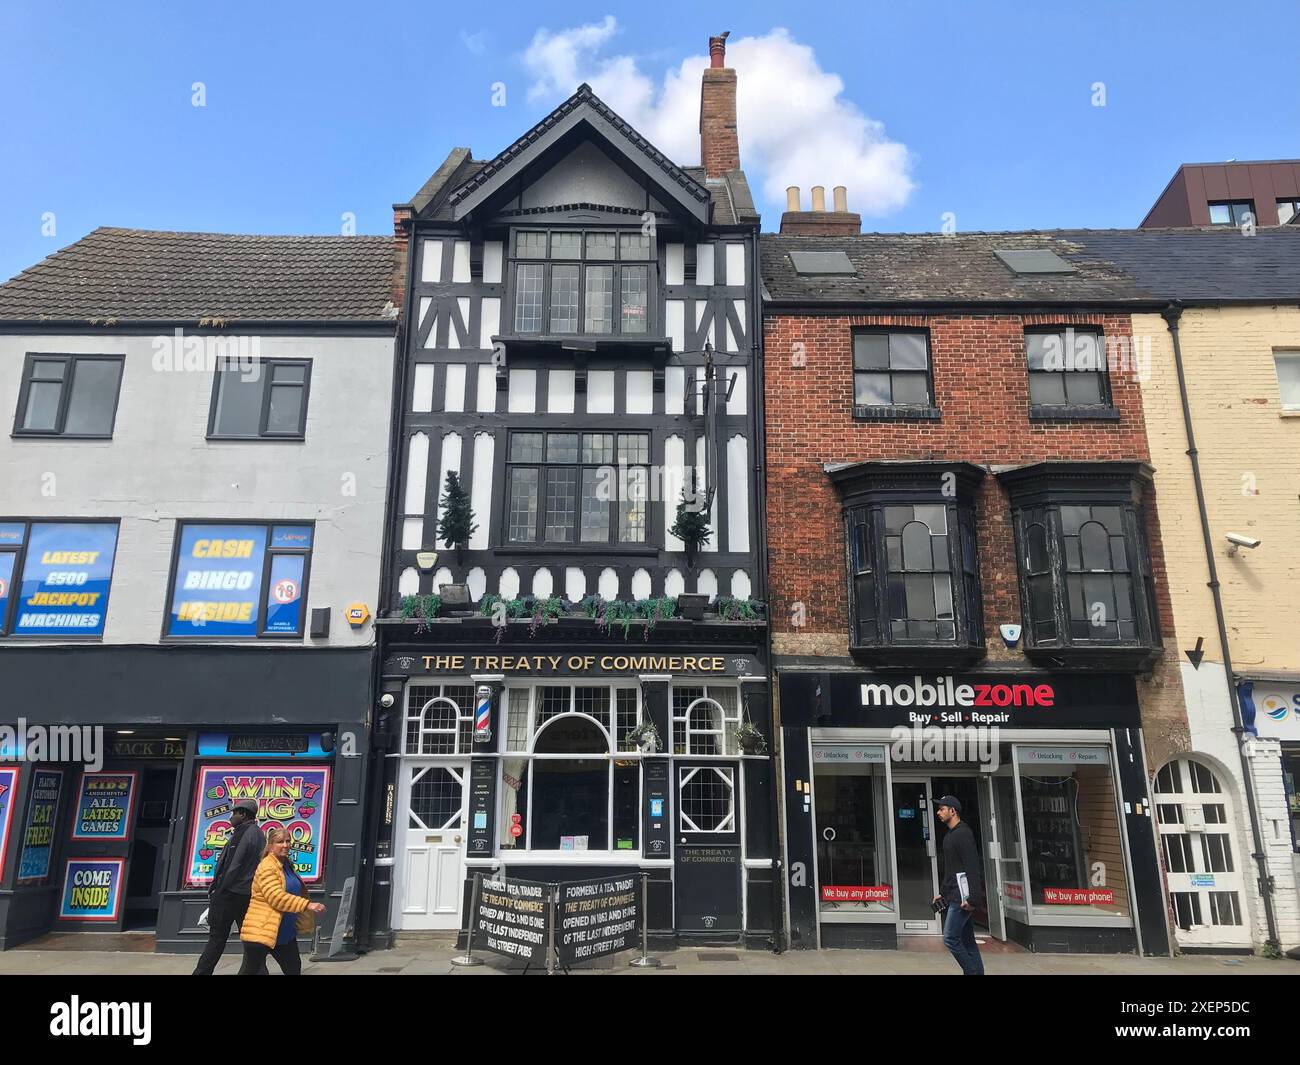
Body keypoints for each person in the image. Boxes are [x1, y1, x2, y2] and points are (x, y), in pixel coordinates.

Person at [238, 827, 326, 975]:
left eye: (288, 841)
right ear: (270, 846)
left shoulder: (286, 865)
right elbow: (276, 897)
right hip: (262, 930)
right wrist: (307, 905)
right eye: (280, 842)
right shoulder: (267, 867)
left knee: (293, 969)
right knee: (252, 970)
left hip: (284, 932)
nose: (285, 845)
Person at [193, 798, 264, 976]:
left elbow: (233, 866)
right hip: (246, 894)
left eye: (234, 813)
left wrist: (219, 890)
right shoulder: (258, 833)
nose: (231, 817)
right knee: (250, 940)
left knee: (217, 939)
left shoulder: (243, 834)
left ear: (243, 814)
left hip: (230, 895)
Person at [933, 794, 985, 976]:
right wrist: (942, 893)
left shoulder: (963, 833)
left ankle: (971, 971)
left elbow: (972, 866)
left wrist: (974, 899)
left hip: (961, 898)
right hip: (953, 895)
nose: (938, 812)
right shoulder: (950, 835)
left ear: (953, 811)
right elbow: (951, 869)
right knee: (968, 941)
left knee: (950, 938)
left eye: (942, 809)